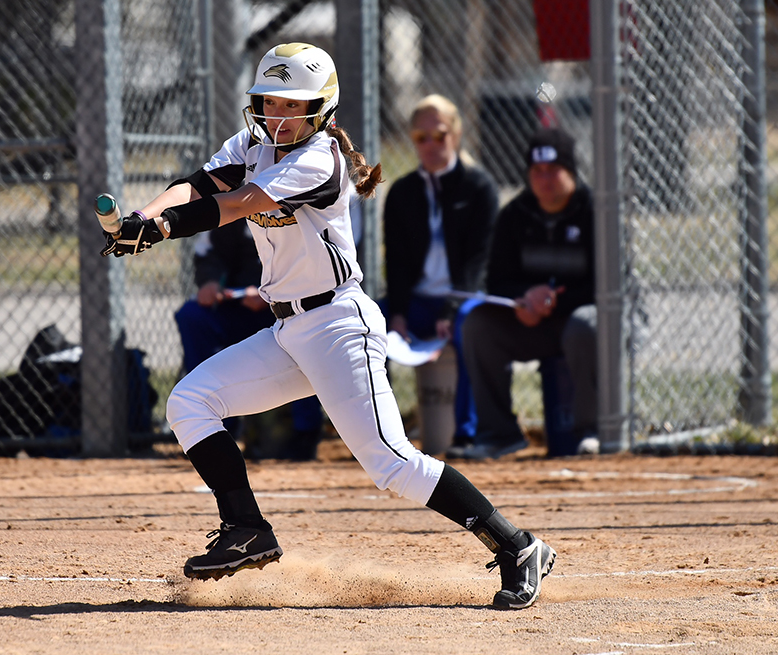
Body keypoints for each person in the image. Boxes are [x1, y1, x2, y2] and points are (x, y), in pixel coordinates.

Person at [98, 43, 555, 609]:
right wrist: (143, 217)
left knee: (393, 466)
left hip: (340, 326)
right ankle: (246, 527)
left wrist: (164, 229)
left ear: (321, 111)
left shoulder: (319, 159)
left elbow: (240, 203)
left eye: (292, 105)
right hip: (288, 329)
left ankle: (517, 546)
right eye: (268, 101)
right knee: (189, 402)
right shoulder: (252, 143)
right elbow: (196, 185)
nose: (276, 115)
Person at [457, 127, 597, 460]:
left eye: (554, 170)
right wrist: (522, 299)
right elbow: (498, 281)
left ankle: (592, 431)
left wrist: (556, 300)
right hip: (538, 322)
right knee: (478, 324)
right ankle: (499, 434)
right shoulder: (515, 215)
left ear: (571, 170)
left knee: (583, 325)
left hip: (591, 321)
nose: (545, 179)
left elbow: (606, 287)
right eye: (537, 171)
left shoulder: (595, 212)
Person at [382, 94, 498, 451]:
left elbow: (478, 262)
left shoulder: (479, 188)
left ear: (457, 135)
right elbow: (397, 263)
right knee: (366, 322)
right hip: (418, 301)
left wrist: (451, 308)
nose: (431, 145)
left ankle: (465, 433)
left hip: (461, 299)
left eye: (440, 135)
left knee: (467, 324)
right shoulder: (402, 193)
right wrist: (398, 312)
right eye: (421, 137)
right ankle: (382, 432)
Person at [174, 220, 324, 460]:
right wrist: (210, 282)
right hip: (238, 303)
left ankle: (304, 432)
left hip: (290, 306)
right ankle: (210, 431)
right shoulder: (236, 199)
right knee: (192, 317)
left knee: (309, 338)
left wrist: (272, 294)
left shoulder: (297, 199)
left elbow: (314, 262)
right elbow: (208, 253)